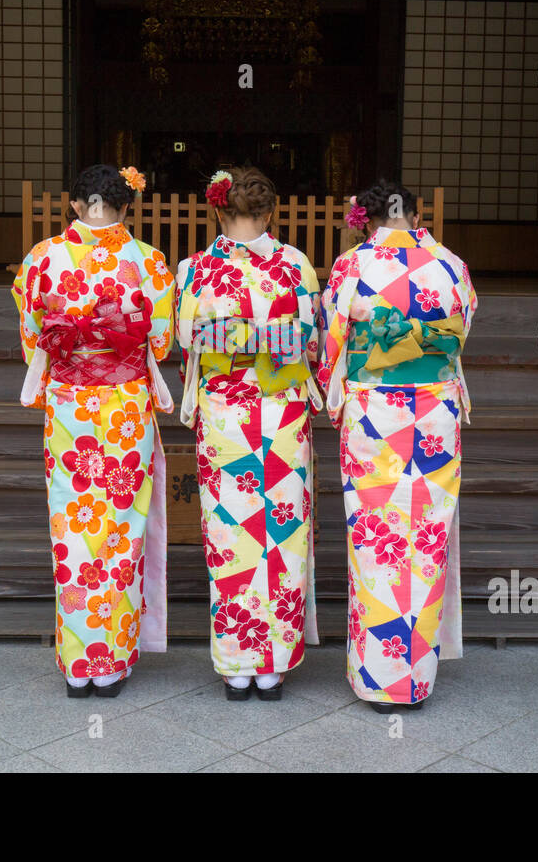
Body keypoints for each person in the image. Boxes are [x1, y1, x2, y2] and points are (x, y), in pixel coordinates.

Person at [11, 164, 175, 698]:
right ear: (127, 207)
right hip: (125, 403)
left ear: (77, 206)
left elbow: (34, 335)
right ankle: (112, 665)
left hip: (68, 406)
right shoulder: (149, 263)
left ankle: (78, 665)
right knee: (121, 528)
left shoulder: (41, 260)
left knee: (72, 526)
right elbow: (161, 343)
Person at [318, 180, 478, 712]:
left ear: (363, 218)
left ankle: (377, 678)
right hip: (434, 409)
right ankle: (414, 680)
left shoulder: (350, 267)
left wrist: (334, 385)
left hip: (374, 410)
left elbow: (331, 344)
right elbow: (461, 329)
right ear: (414, 213)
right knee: (426, 538)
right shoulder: (451, 263)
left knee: (375, 538)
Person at [175, 167, 322, 701]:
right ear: (271, 213)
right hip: (282, 410)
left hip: (223, 412)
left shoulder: (195, 269)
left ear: (218, 210)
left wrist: (231, 337)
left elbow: (184, 339)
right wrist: (273, 337)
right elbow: (311, 341)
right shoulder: (296, 266)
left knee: (230, 533)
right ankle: (272, 666)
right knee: (280, 535)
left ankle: (237, 665)